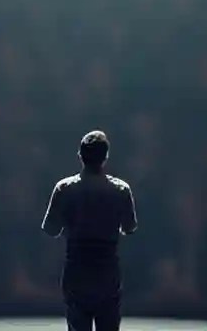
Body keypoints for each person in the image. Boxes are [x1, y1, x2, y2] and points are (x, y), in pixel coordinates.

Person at [43, 130, 138, 331]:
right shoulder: (121, 190)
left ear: (80, 155)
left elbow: (51, 228)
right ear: (106, 157)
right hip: (107, 273)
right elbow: (129, 227)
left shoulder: (64, 189)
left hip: (76, 272)